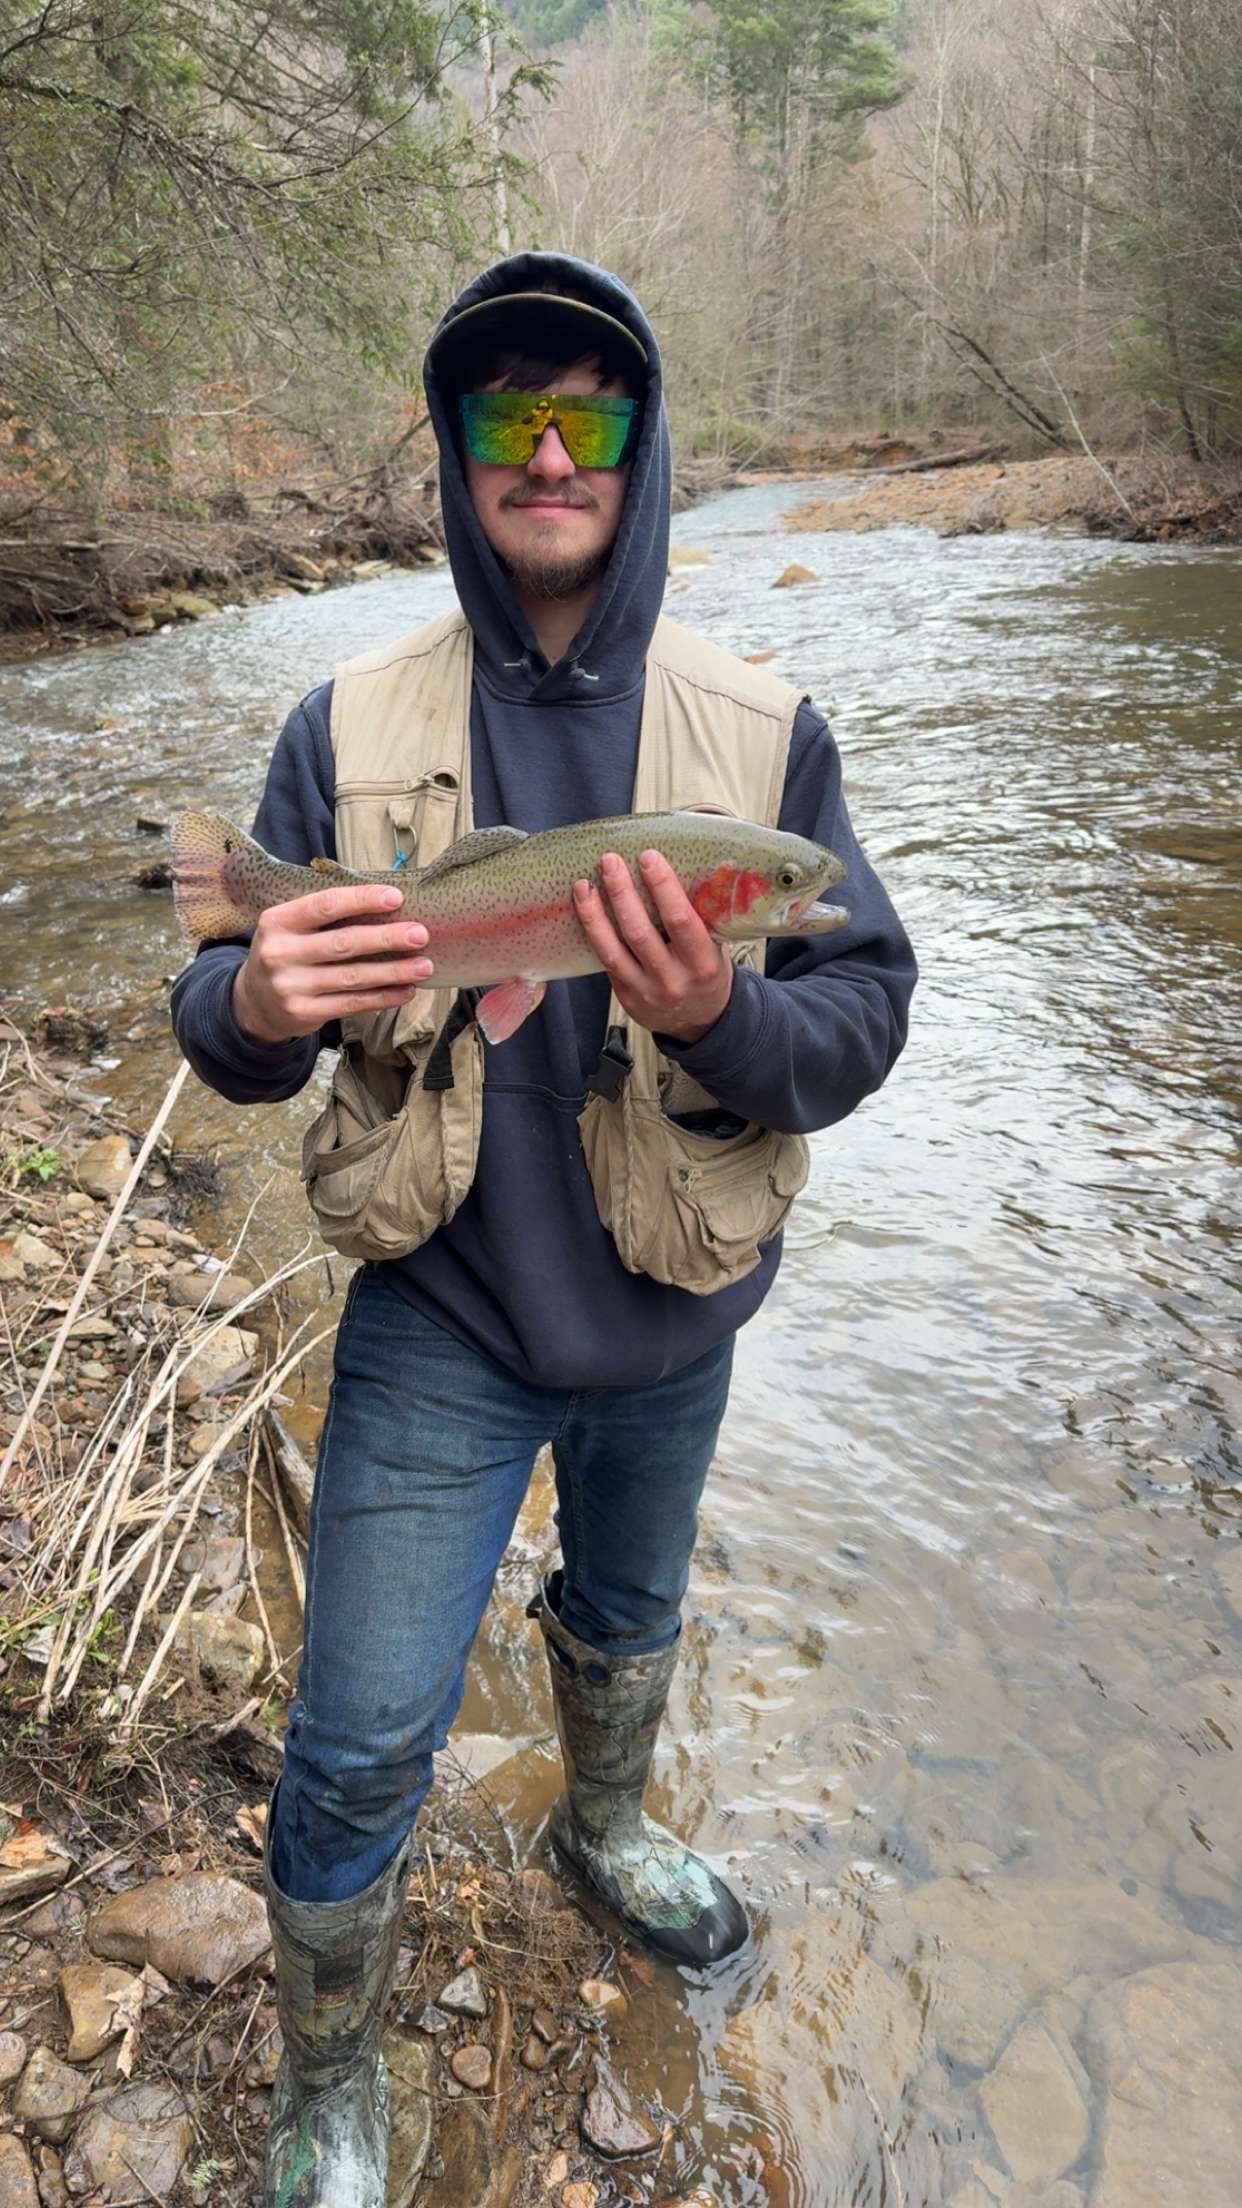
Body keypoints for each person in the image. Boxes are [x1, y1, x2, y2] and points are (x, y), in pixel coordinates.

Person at [171, 251, 916, 2208]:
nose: (555, 445)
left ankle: (600, 1828)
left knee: (628, 1615)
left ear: (648, 444)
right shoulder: (347, 722)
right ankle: (330, 2093)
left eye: (593, 406)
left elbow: (862, 1017)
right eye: (510, 410)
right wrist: (250, 993)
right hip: (442, 1308)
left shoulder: (766, 740)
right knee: (354, 1741)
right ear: (460, 450)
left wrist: (718, 1011)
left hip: (678, 1305)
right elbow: (229, 1046)